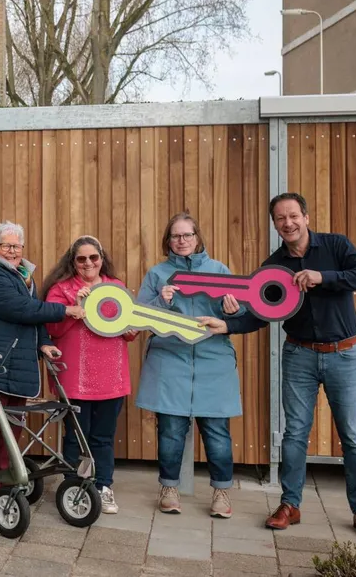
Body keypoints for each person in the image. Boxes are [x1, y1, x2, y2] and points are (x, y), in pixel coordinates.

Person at [197, 192, 356, 538]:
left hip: (344, 354)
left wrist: (323, 277)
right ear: (275, 224)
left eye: (293, 216)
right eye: (281, 219)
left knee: (353, 436)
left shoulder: (336, 246)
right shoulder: (272, 267)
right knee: (295, 434)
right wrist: (229, 322)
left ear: (306, 217)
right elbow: (258, 313)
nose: (288, 223)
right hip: (299, 356)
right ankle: (290, 504)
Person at [0, 221, 84, 516]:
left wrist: (44, 342)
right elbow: (19, 309)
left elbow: (32, 317)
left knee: (11, 428)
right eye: (6, 246)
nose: (12, 251)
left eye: (16, 246)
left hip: (17, 363)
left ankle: (4, 483)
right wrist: (66, 309)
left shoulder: (24, 275)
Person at [135, 212, 244, 518]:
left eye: (187, 235)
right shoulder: (157, 274)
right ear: (167, 240)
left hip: (214, 362)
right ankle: (169, 488)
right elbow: (139, 316)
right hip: (170, 360)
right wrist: (162, 301)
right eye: (175, 236)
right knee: (170, 431)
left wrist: (230, 310)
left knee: (217, 431)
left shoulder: (218, 270)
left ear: (198, 238)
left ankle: (221, 492)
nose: (181, 241)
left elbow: (240, 313)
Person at [40, 235, 137, 514]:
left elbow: (129, 332)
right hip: (75, 379)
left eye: (93, 257)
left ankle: (103, 486)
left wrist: (132, 328)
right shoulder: (61, 291)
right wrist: (74, 311)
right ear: (73, 262)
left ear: (102, 259)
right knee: (75, 436)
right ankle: (73, 488)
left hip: (111, 378)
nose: (88, 263)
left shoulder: (115, 288)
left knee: (103, 438)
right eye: (81, 258)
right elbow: (52, 331)